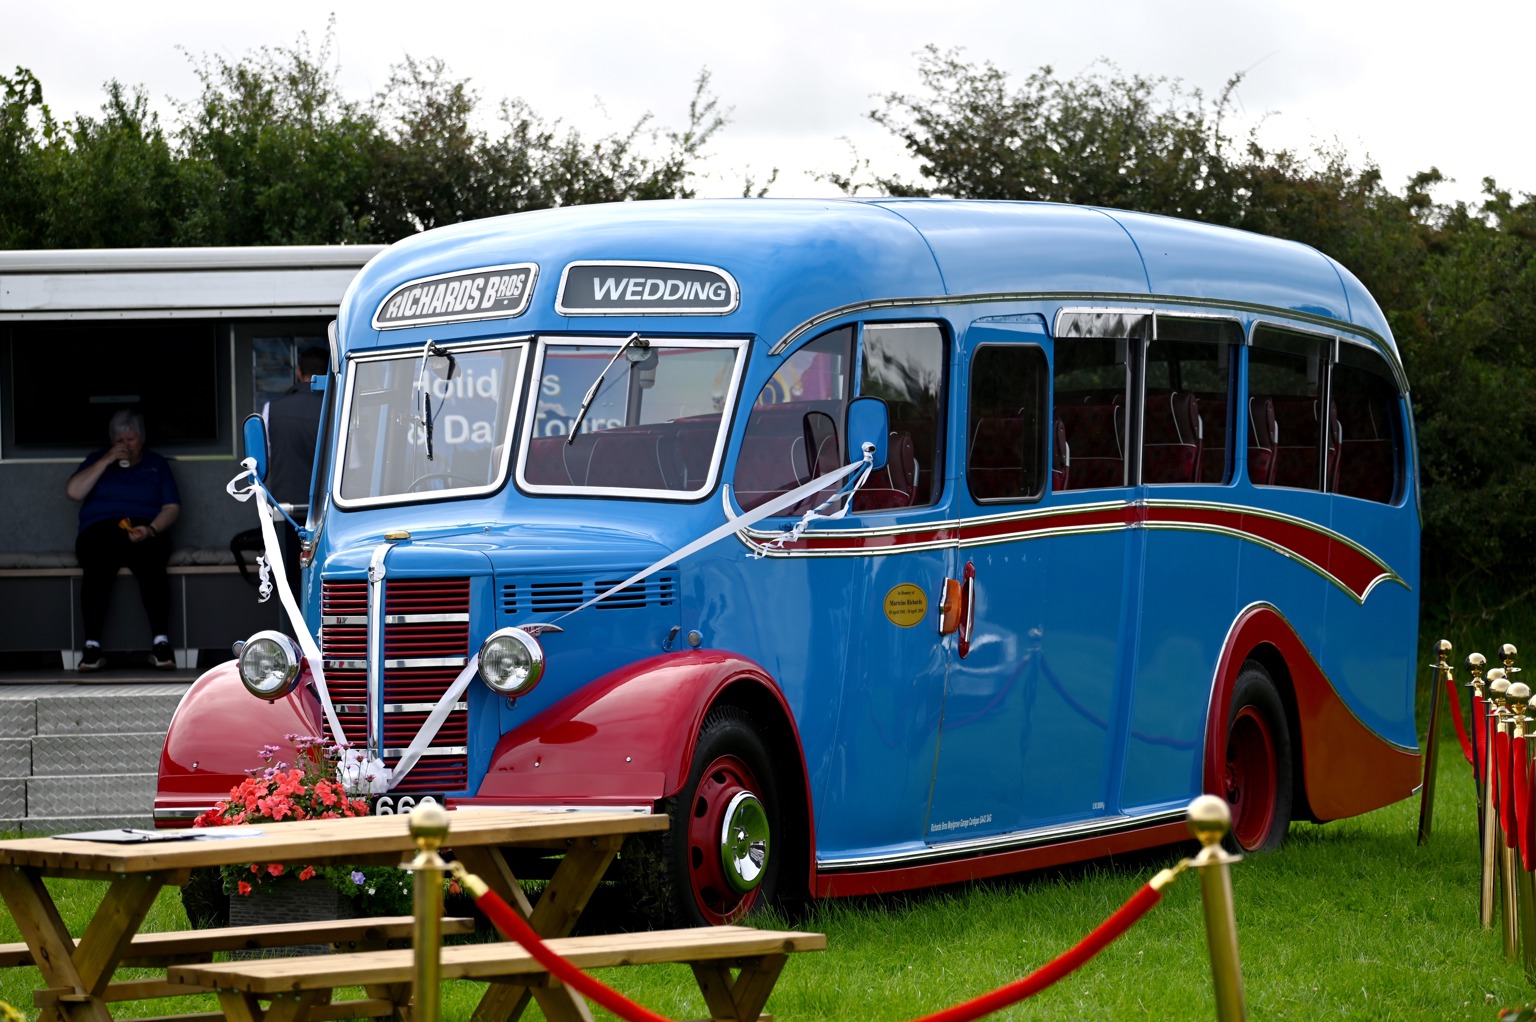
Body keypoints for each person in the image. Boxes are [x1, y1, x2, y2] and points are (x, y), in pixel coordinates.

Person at [65, 409, 181, 671]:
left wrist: (150, 529)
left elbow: (172, 507)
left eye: (130, 440)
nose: (125, 445)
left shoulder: (156, 464)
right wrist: (106, 460)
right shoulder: (97, 460)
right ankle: (92, 646)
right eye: (119, 440)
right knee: (96, 567)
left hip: (144, 528)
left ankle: (161, 644)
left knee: (153, 563)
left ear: (142, 438)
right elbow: (73, 491)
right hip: (101, 530)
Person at [263, 347, 329, 597]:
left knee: (291, 583)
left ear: (299, 372)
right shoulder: (340, 407)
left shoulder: (272, 409)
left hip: (287, 515)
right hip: (328, 514)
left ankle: (292, 635)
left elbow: (267, 463)